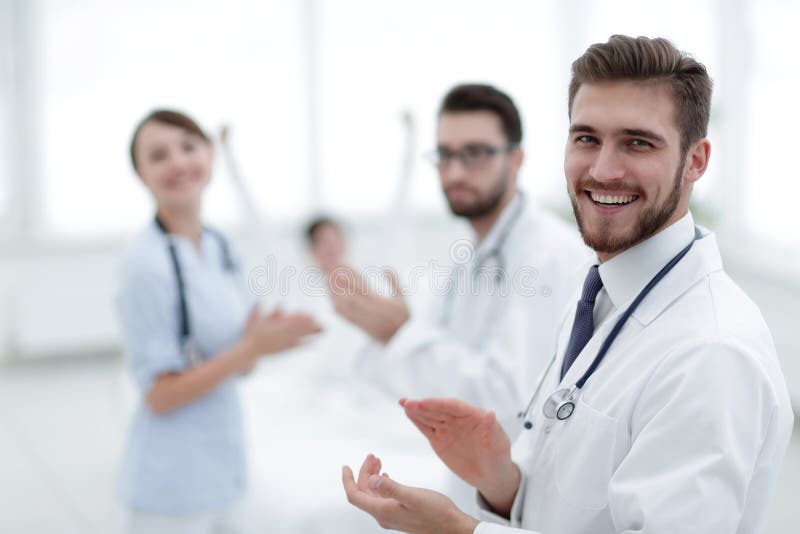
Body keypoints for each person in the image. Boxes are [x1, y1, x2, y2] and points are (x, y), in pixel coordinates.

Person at [341, 35, 794, 534]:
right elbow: (581, 501)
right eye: (586, 139)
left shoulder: (711, 353)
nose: (602, 170)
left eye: (638, 142)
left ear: (696, 161)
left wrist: (458, 529)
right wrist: (501, 483)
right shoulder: (600, 294)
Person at [328, 83, 587, 431]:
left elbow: (509, 403)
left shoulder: (550, 255)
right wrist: (391, 331)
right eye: (445, 155)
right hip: (467, 477)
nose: (455, 172)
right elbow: (420, 378)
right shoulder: (468, 259)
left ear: (516, 159)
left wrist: (399, 332)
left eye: (475, 153)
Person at [116, 109, 320, 534]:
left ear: (209, 156)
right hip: (170, 487)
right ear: (141, 174)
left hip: (225, 469)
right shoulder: (143, 264)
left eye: (188, 147)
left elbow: (244, 362)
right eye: (158, 155)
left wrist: (266, 337)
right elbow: (158, 394)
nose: (177, 162)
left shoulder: (221, 246)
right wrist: (253, 346)